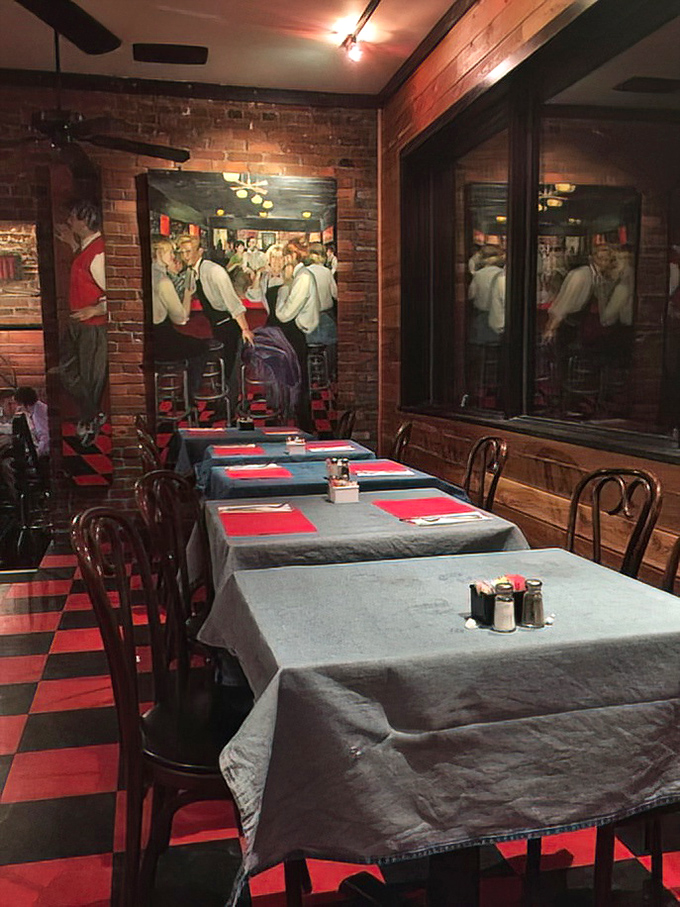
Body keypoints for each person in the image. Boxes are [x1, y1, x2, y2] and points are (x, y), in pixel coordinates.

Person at [53, 200, 108, 446]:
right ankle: (93, 414)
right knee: (67, 370)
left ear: (85, 222)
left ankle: (89, 423)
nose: (69, 221)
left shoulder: (99, 252)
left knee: (90, 379)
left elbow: (116, 294)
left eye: (73, 218)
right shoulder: (88, 248)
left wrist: (96, 309)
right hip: (79, 324)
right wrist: (73, 244)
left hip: (93, 326)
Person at [176, 235, 254, 383]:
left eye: (188, 251)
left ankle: (228, 395)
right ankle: (219, 392)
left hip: (229, 325)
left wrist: (245, 329)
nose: (185, 256)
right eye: (182, 252)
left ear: (200, 251)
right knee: (220, 368)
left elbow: (233, 303)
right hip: (215, 326)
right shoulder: (191, 272)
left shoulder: (214, 271)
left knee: (229, 370)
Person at [152, 238, 211, 401]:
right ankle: (188, 398)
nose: (174, 256)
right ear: (159, 253)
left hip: (149, 340)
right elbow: (181, 319)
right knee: (202, 348)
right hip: (162, 341)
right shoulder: (162, 280)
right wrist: (187, 294)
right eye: (170, 252)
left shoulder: (151, 274)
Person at [13, 386, 49, 457]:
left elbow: (45, 436)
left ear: (23, 403)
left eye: (19, 404)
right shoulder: (39, 408)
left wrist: (37, 453)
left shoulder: (38, 413)